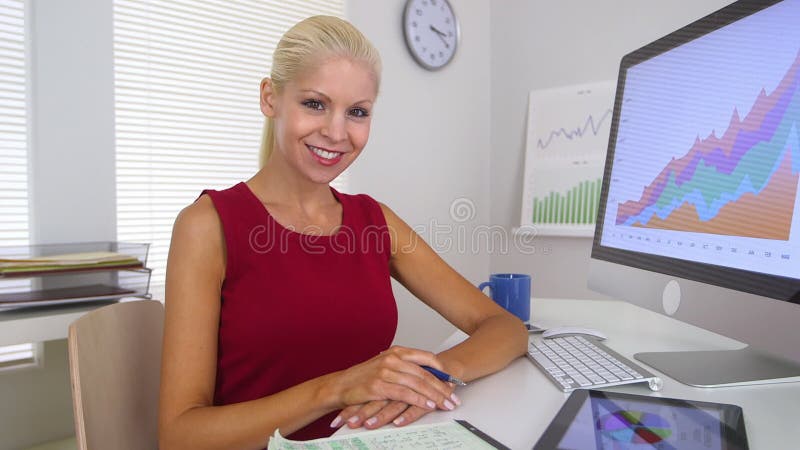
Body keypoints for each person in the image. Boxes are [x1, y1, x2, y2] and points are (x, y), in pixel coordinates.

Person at [158, 15, 527, 449]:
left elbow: (505, 328)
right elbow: (180, 436)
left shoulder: (376, 223)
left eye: (357, 112)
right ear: (270, 97)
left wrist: (430, 376)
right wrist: (337, 388)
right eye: (315, 103)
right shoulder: (207, 226)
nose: (336, 132)